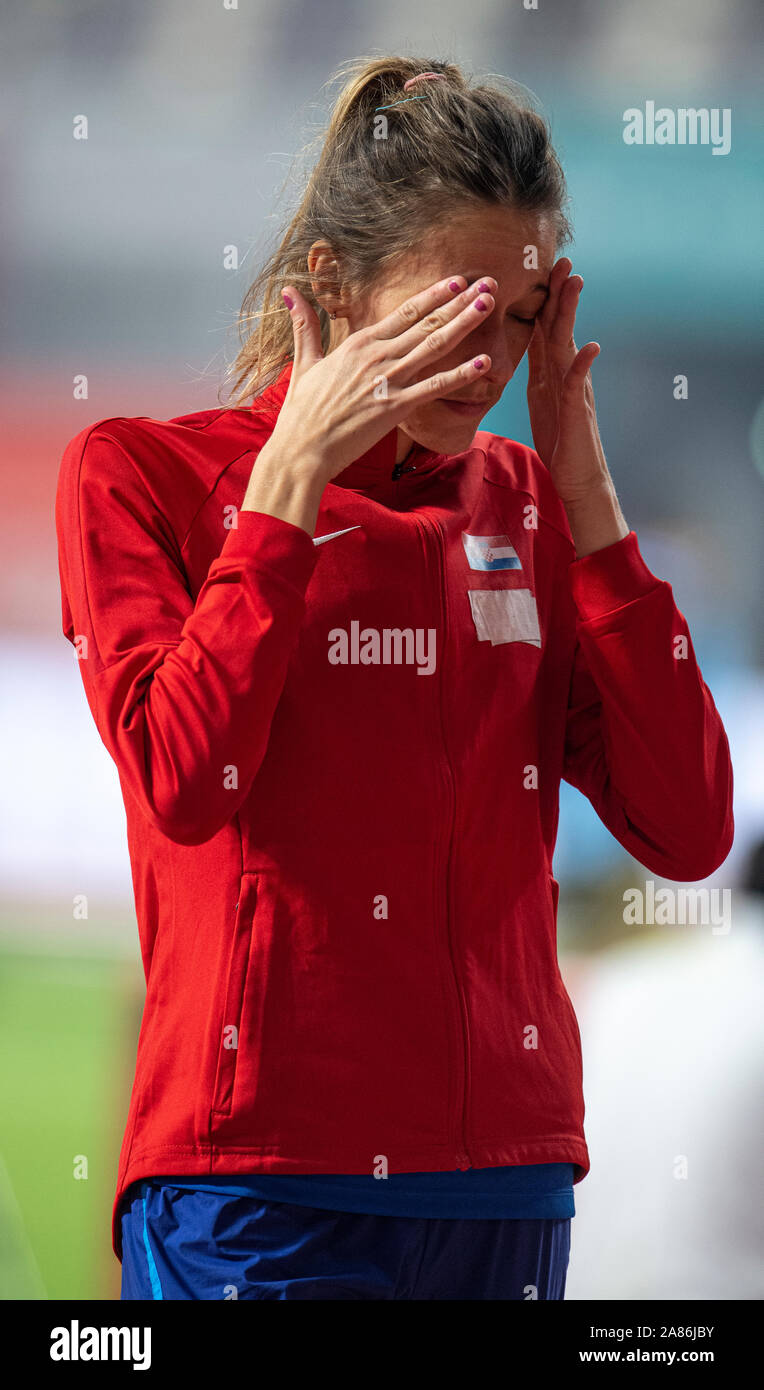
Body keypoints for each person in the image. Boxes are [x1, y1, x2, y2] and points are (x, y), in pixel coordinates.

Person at [55, 56, 734, 1301]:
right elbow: (183, 780)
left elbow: (687, 831)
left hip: (506, 1180)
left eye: (522, 316)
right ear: (333, 283)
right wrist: (285, 494)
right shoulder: (139, 474)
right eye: (457, 308)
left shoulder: (527, 505)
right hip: (257, 1183)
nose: (489, 358)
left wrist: (590, 508)